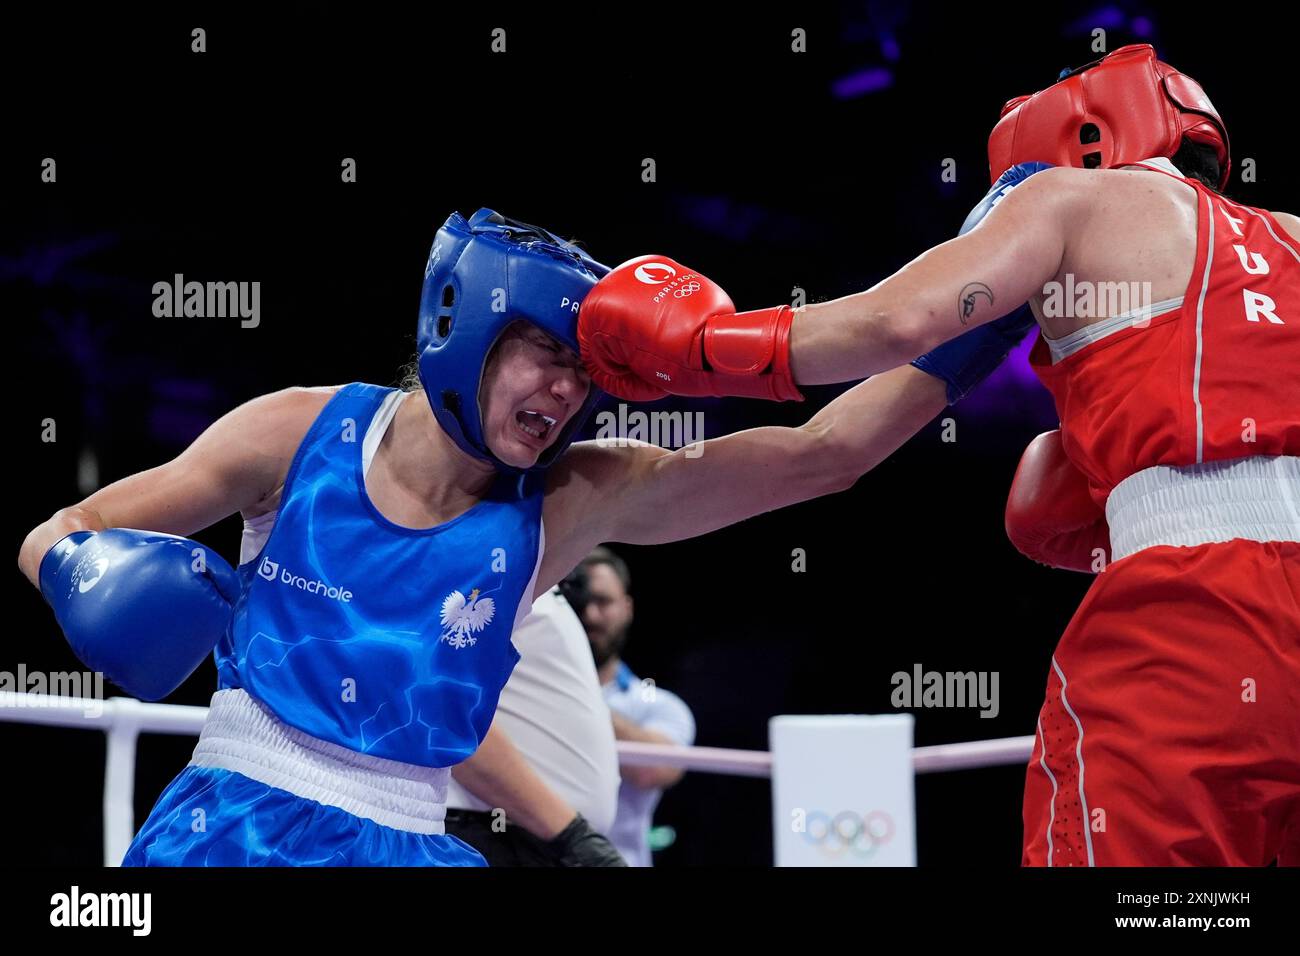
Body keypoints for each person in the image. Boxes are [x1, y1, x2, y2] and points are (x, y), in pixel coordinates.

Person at [21, 206, 1013, 865]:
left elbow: (821, 455)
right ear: (465, 328)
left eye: (585, 371)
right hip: (235, 818)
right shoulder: (300, 430)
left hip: (415, 834)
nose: (564, 392)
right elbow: (65, 527)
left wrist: (989, 300)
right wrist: (82, 572)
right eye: (546, 353)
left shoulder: (571, 498)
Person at [578, 45, 1300, 866]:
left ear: (1078, 144)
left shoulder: (1067, 199)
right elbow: (837, 447)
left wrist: (702, 348)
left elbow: (891, 323)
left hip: (1193, 619)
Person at [443, 586, 623, 865]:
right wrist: (568, 834)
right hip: (496, 833)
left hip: (531, 837)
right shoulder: (483, 564)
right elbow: (446, 710)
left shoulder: (535, 569)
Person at [576, 547, 694, 867]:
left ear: (626, 607)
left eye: (602, 601)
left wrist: (572, 695)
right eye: (578, 602)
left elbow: (656, 770)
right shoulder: (519, 691)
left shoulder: (658, 705)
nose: (590, 615)